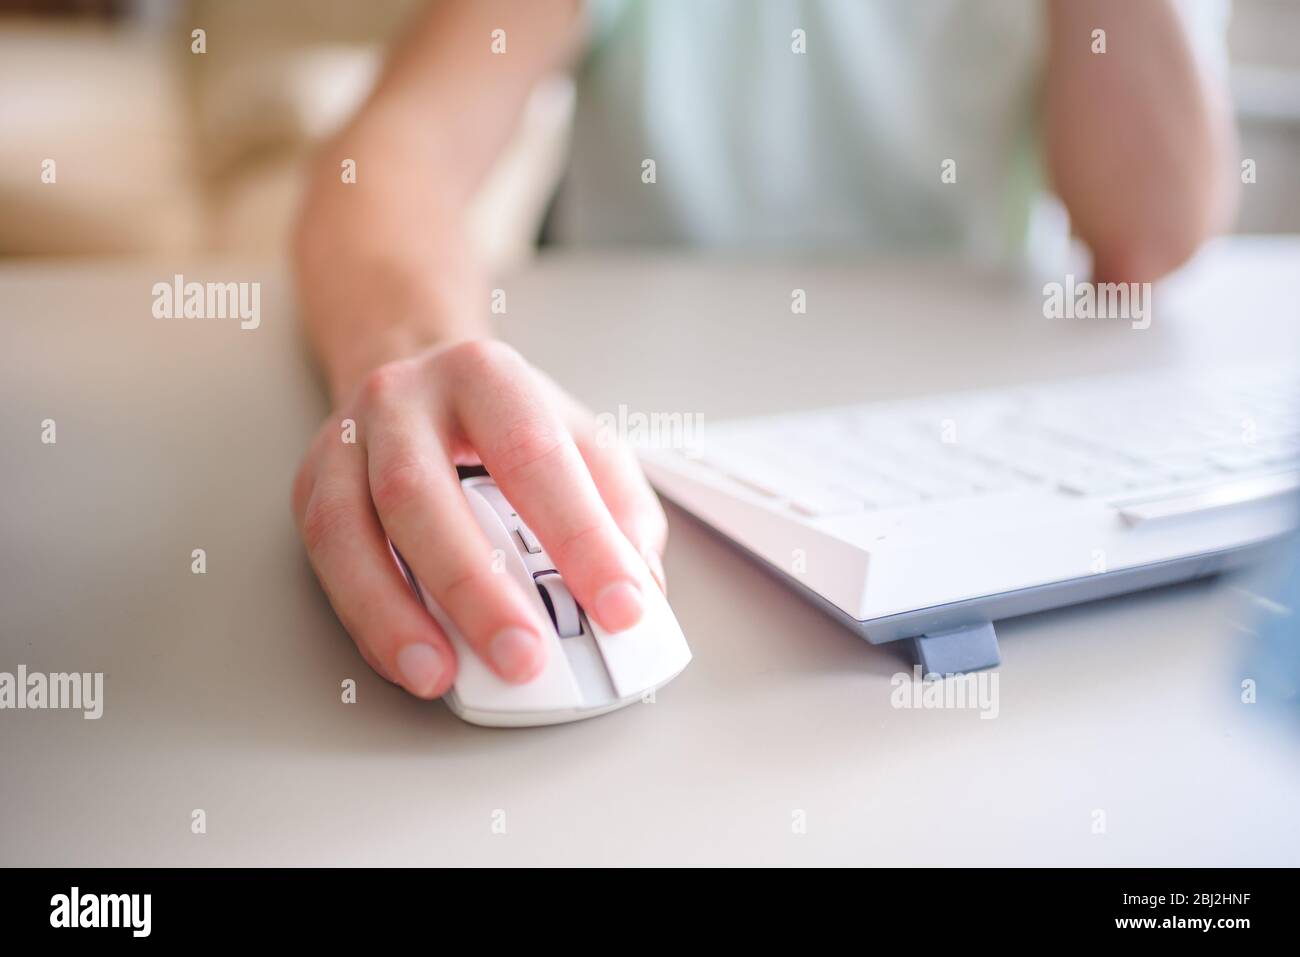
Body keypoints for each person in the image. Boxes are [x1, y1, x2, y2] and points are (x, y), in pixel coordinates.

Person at [291, 0, 1238, 700]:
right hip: (622, 427)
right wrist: (425, 355)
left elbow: (1147, 239)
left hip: (956, 432)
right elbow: (390, 149)